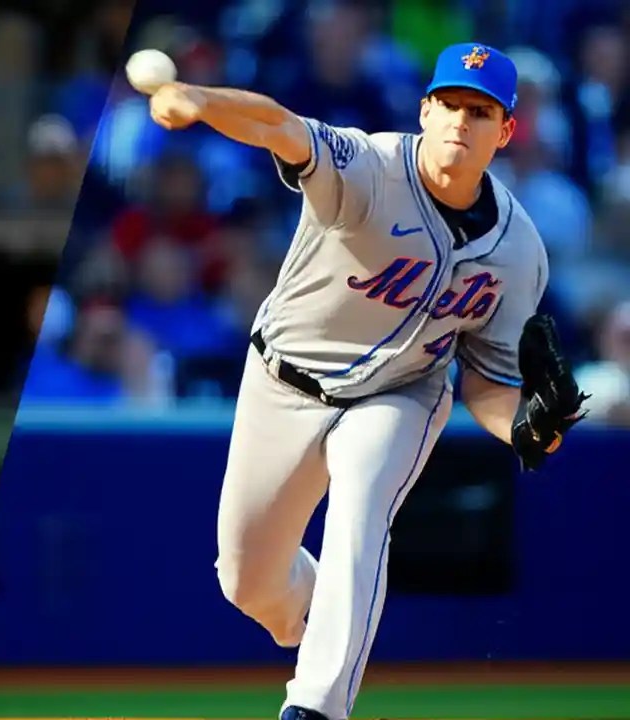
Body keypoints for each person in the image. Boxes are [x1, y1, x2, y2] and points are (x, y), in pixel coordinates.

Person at [147, 43, 589, 720]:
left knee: (361, 511)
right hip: (282, 382)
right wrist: (204, 101)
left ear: (504, 132)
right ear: (424, 110)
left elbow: (488, 386)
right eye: (447, 104)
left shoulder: (520, 250)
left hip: (401, 395)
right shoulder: (368, 167)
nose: (459, 123)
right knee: (247, 583)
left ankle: (316, 705)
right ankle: (326, 609)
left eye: (479, 111)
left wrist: (532, 429)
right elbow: (279, 125)